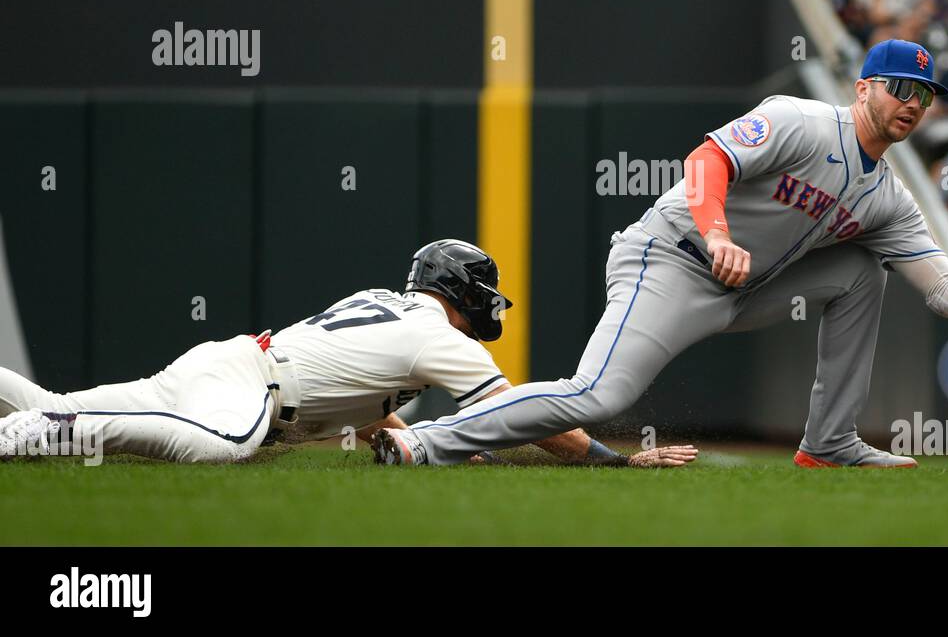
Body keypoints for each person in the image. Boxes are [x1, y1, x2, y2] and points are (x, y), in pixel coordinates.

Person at [375, 40, 948, 469]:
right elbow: (709, 157)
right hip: (670, 258)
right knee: (599, 393)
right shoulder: (801, 119)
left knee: (859, 269)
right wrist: (718, 233)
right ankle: (425, 440)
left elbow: (944, 288)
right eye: (899, 88)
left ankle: (828, 443)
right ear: (865, 87)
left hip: (742, 286)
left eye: (925, 95)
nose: (912, 103)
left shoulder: (888, 196)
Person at [0, 240, 695, 467]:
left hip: (230, 361)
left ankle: (48, 420)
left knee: (44, 396)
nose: (489, 301)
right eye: (482, 290)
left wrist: (390, 432)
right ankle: (64, 434)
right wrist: (613, 459)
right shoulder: (436, 336)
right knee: (220, 450)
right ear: (460, 291)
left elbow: (356, 385)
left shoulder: (388, 305)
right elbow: (529, 414)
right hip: (251, 394)